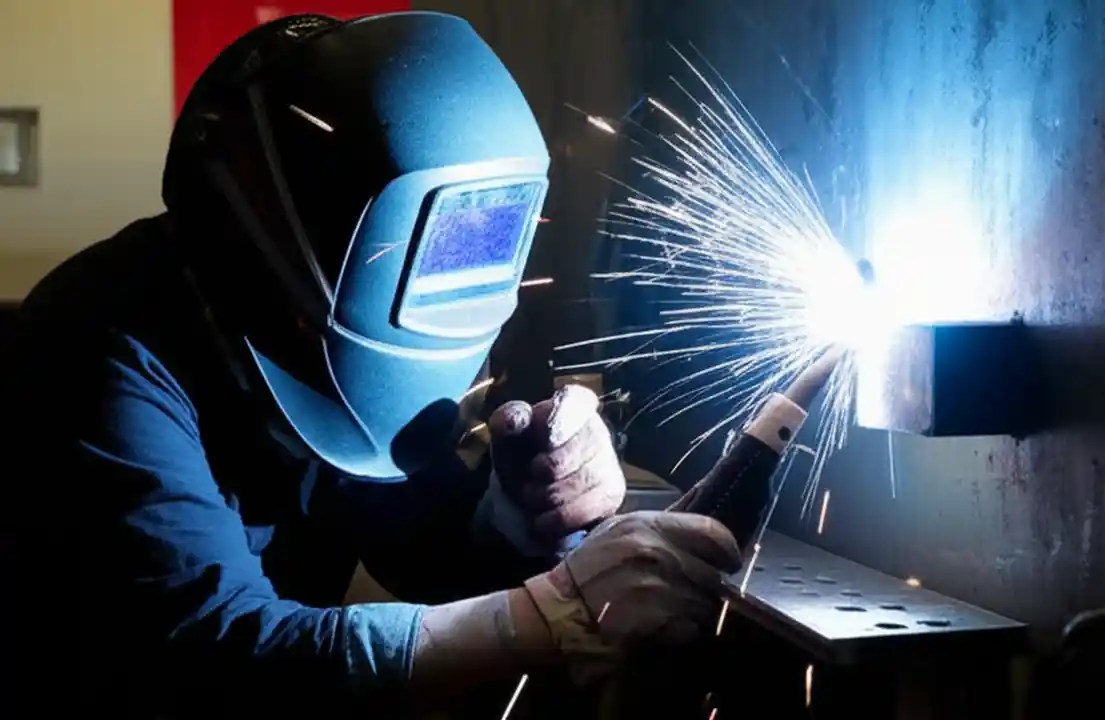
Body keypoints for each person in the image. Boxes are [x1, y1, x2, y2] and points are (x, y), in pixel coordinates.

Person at [1, 11, 827, 718]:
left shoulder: (328, 346)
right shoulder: (100, 356)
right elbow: (218, 658)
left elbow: (412, 542)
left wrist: (509, 516)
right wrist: (550, 615)